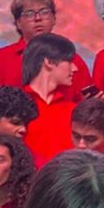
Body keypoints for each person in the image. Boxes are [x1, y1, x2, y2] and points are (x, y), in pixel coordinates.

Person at [0, 0, 93, 112]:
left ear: (54, 19)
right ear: (18, 23)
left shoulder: (73, 61)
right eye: (29, 14)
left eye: (44, 12)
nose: (38, 18)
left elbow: (86, 107)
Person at [22, 34, 79, 165]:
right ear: (49, 62)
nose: (75, 68)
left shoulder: (74, 111)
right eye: (69, 61)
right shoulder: (16, 108)